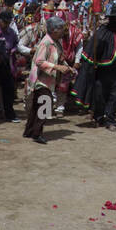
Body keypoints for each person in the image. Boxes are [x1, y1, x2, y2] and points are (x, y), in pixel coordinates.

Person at [72, 4, 116, 130]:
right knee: (99, 96)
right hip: (103, 70)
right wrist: (92, 62)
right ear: (112, 19)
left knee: (114, 96)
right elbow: (93, 49)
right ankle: (99, 117)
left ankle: (110, 119)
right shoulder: (102, 32)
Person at [23, 16, 71, 146]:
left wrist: (66, 67)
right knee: (45, 104)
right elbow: (39, 61)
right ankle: (37, 133)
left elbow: (59, 58)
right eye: (61, 29)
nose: (63, 32)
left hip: (47, 79)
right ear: (55, 30)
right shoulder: (46, 42)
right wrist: (56, 67)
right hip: (40, 79)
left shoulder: (55, 43)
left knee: (37, 105)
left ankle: (30, 130)